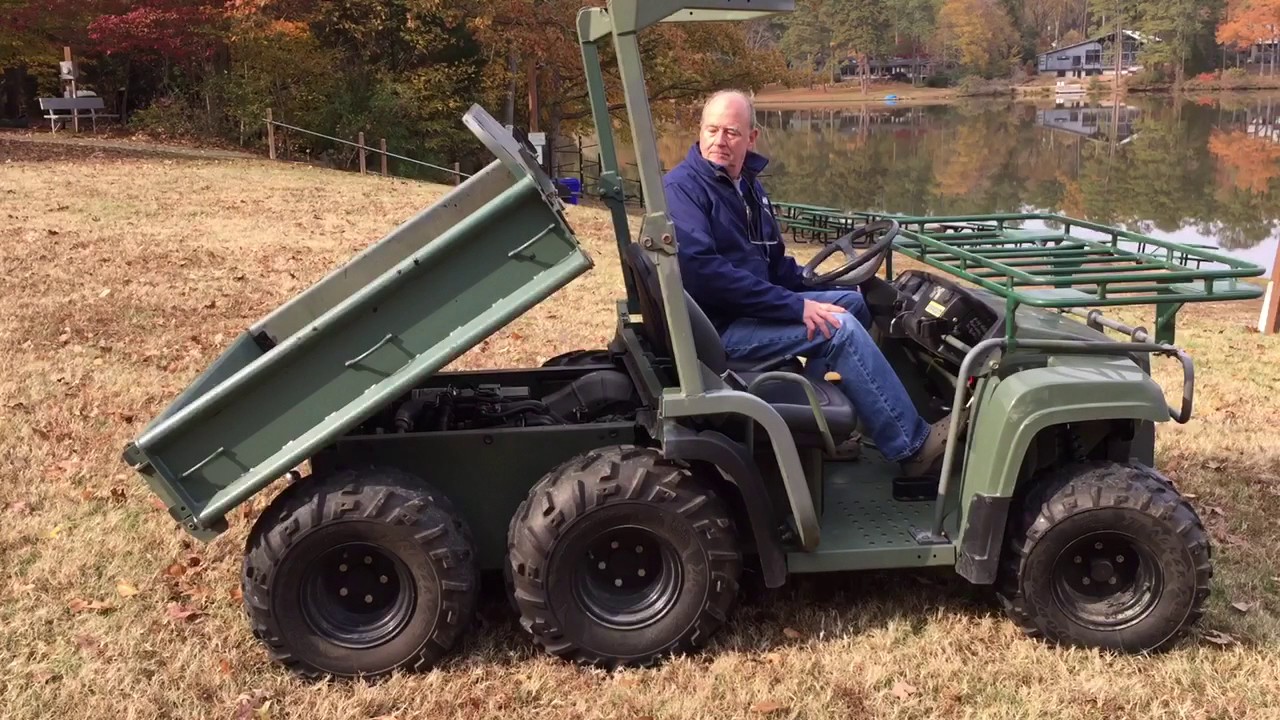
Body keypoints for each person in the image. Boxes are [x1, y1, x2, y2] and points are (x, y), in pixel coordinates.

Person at [662, 89, 949, 476]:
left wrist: (812, 285)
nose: (719, 141)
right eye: (711, 130)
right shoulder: (684, 189)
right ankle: (911, 445)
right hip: (719, 331)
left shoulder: (748, 187)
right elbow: (705, 275)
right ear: (700, 131)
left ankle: (819, 429)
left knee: (852, 303)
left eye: (731, 132)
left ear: (752, 137)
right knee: (839, 328)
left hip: (748, 312)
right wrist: (797, 307)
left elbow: (775, 265)